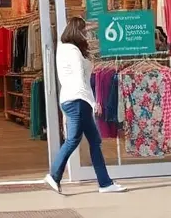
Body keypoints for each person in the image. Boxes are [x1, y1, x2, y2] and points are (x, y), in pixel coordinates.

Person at [45, 17, 126, 195]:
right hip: (78, 100)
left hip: (73, 99)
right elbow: (80, 78)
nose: (86, 35)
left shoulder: (66, 49)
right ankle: (54, 175)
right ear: (77, 31)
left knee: (94, 141)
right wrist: (92, 101)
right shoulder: (72, 51)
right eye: (84, 31)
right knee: (73, 140)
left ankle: (105, 183)